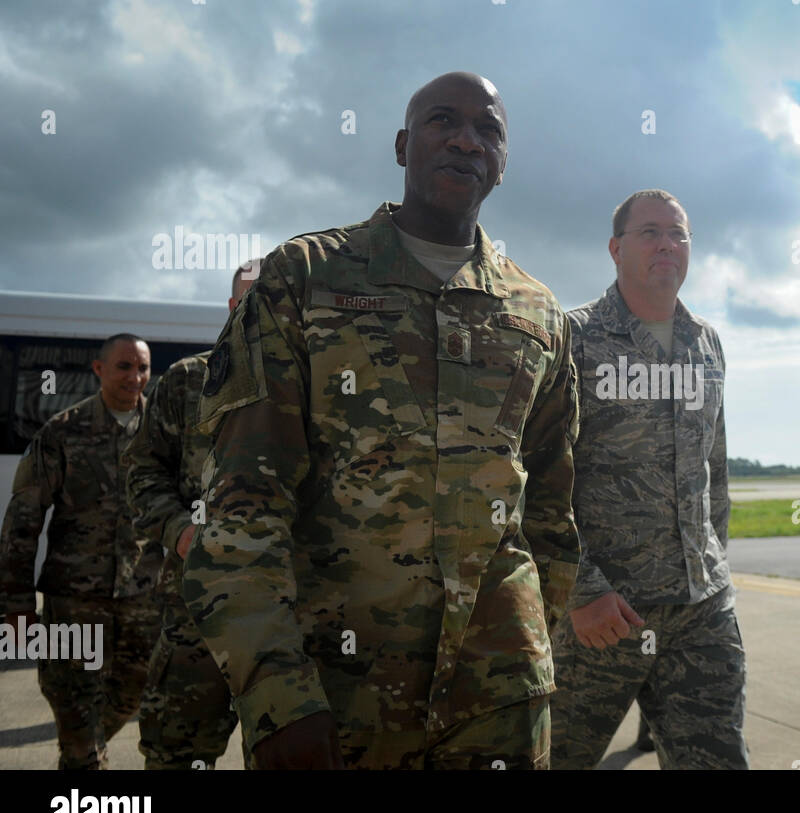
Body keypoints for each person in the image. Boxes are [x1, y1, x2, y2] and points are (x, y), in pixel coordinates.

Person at [182, 72, 581, 770]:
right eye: (441, 121)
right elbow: (244, 501)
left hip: (500, 701)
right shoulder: (305, 278)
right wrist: (274, 690)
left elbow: (550, 505)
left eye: (488, 129)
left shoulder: (539, 313)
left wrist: (528, 647)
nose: (465, 138)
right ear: (402, 145)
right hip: (336, 693)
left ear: (504, 161)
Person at [550, 189, 748, 770]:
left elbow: (715, 468)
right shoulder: (573, 338)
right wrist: (580, 593)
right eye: (650, 232)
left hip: (701, 611)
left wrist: (714, 562)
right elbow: (535, 476)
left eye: (679, 233)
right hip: (604, 615)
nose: (668, 244)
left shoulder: (705, 343)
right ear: (616, 248)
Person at [0, 334, 163, 769]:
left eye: (143, 368)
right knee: (73, 709)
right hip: (74, 604)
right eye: (124, 366)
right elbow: (22, 522)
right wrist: (16, 606)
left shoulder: (163, 434)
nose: (136, 377)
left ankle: (88, 750)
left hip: (141, 603)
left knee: (130, 696)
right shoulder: (62, 433)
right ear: (99, 369)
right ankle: (83, 763)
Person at [125, 263, 258, 769]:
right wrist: (179, 532)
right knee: (176, 755)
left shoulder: (323, 390)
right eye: (252, 300)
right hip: (196, 613)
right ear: (230, 308)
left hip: (296, 619)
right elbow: (142, 473)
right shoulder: (187, 383)